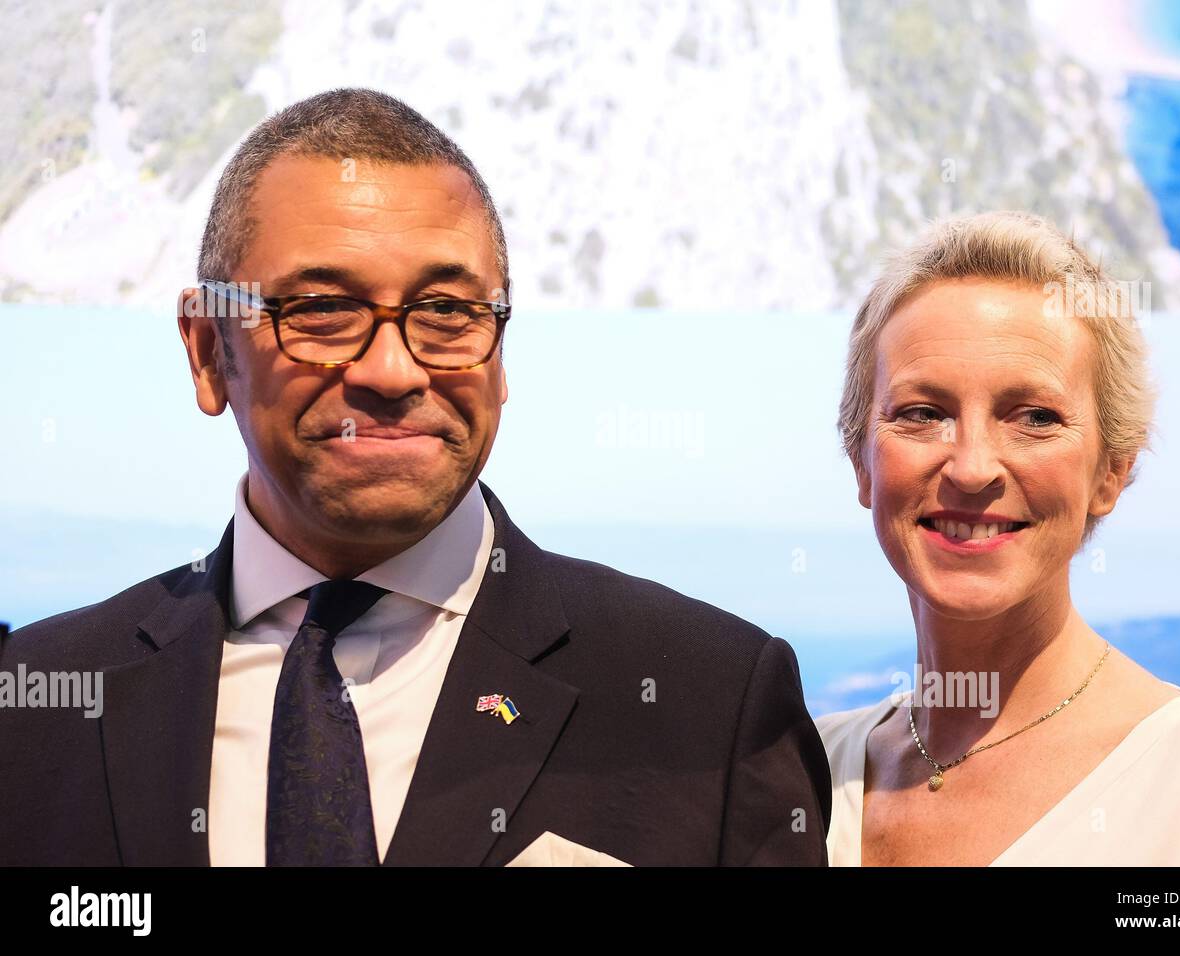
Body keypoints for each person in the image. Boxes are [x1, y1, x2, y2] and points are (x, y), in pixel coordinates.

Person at [0, 88, 830, 867]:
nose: (393, 372)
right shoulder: (34, 710)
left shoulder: (710, 705)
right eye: (323, 309)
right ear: (209, 349)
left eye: (446, 313)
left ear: (501, 353)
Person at [817, 211, 1180, 866]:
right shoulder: (806, 774)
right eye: (922, 413)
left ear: (1113, 470)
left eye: (1035, 417)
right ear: (860, 461)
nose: (972, 467)